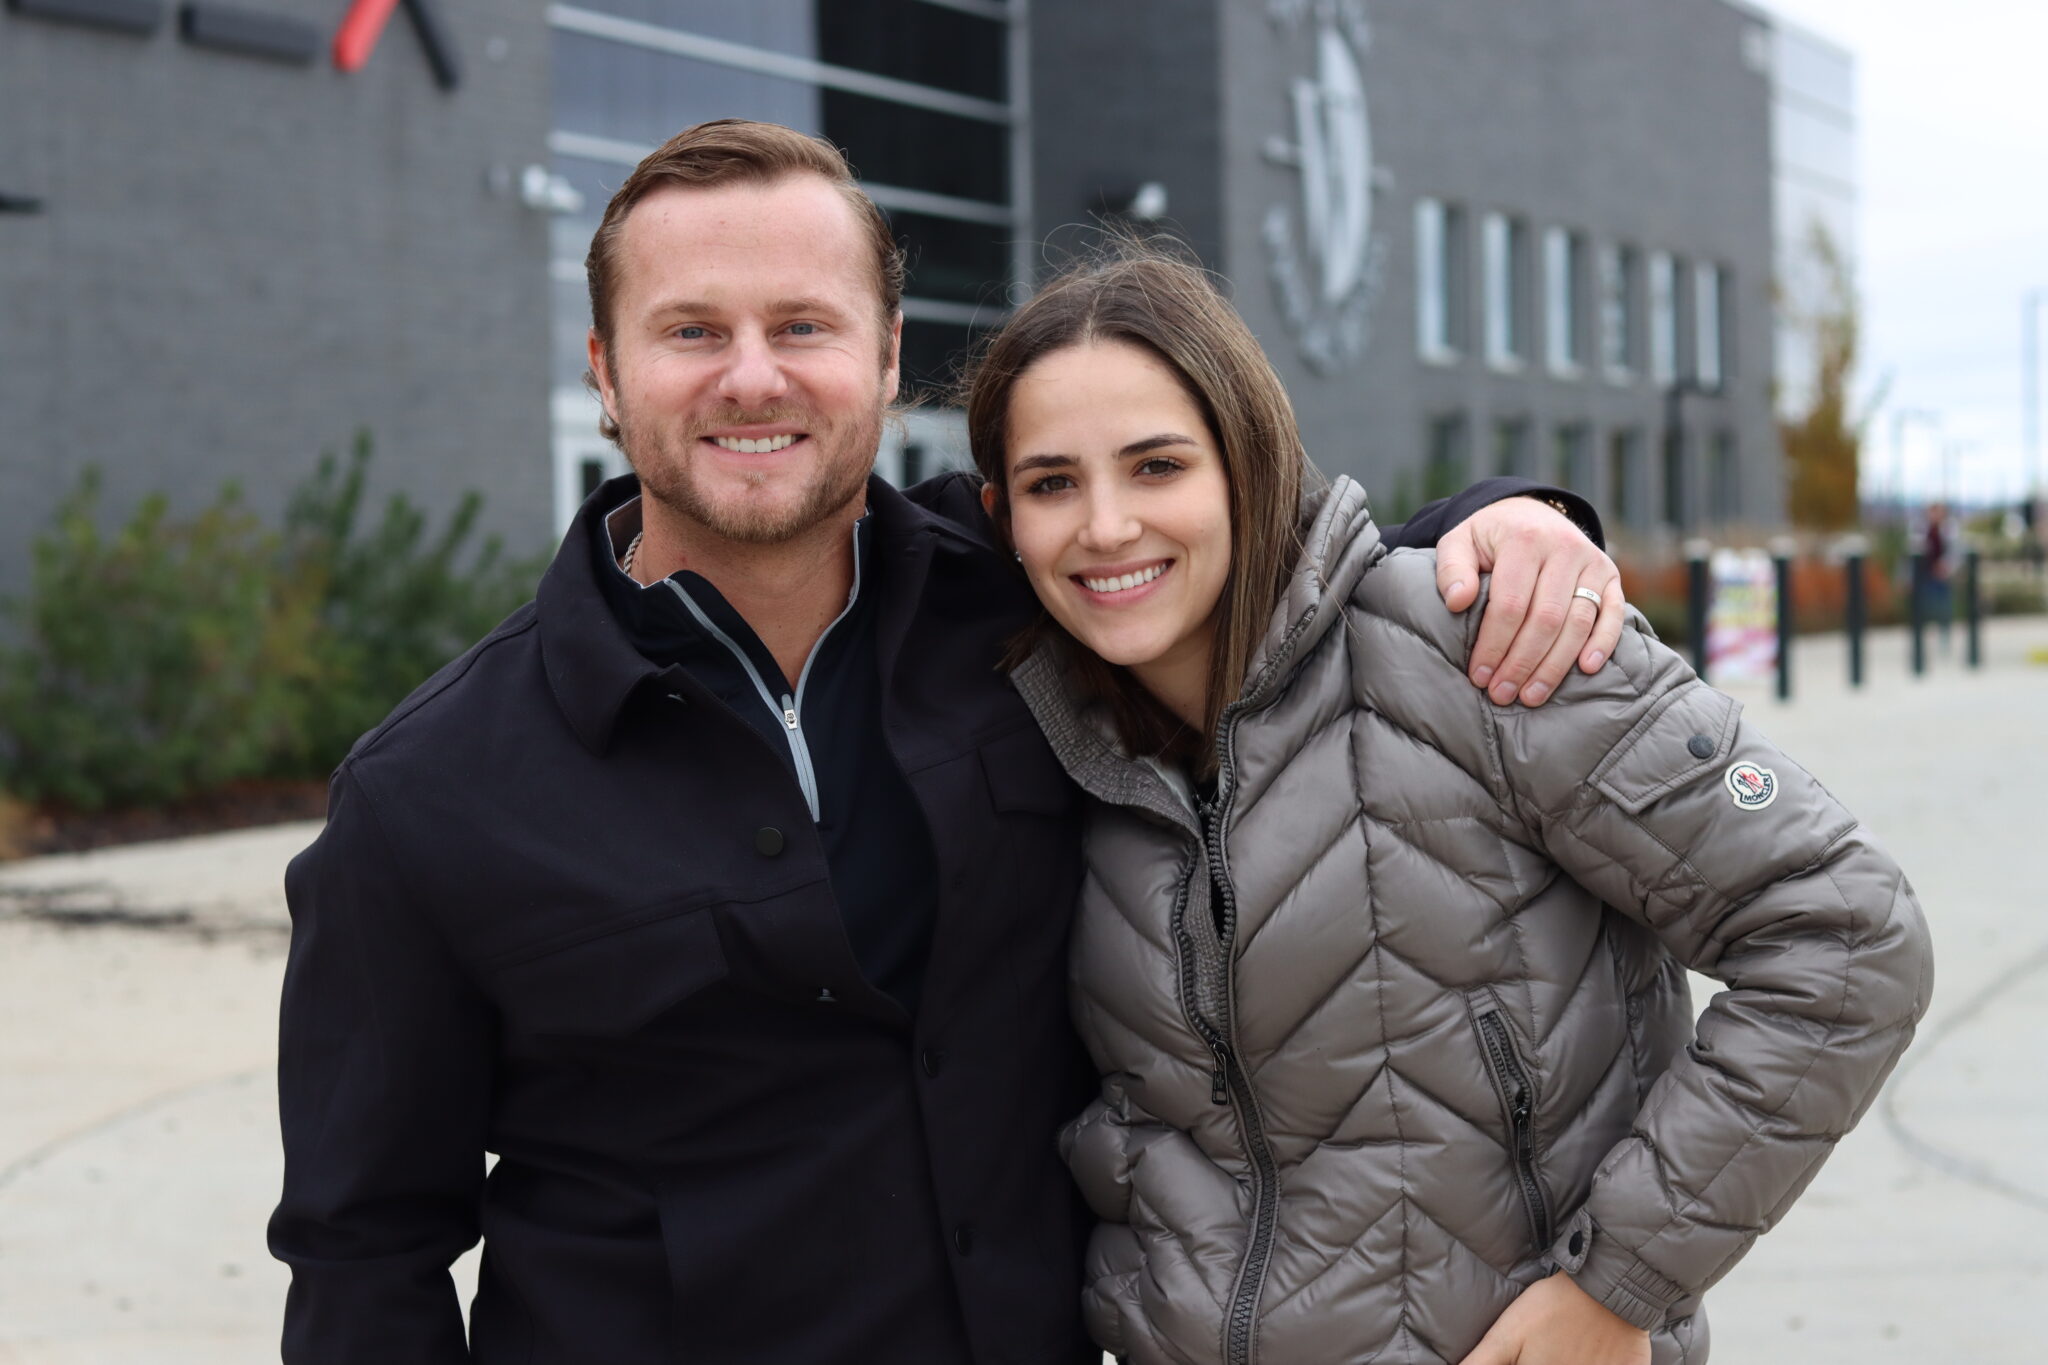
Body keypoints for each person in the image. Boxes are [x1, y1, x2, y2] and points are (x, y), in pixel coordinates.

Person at [267, 121, 1626, 1363]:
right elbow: (364, 1251)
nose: (753, 377)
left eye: (804, 323)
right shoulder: (427, 794)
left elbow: (1273, 573)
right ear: (606, 373)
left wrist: (1509, 516)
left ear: (889, 354)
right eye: (692, 332)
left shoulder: (1026, 592)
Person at [967, 245, 1933, 1365]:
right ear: (1000, 515)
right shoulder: (1038, 749)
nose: (1104, 526)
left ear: (1247, 462)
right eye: (1051, 484)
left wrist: (1618, 1282)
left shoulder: (1485, 640)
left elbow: (1847, 937)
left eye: (1156, 466)